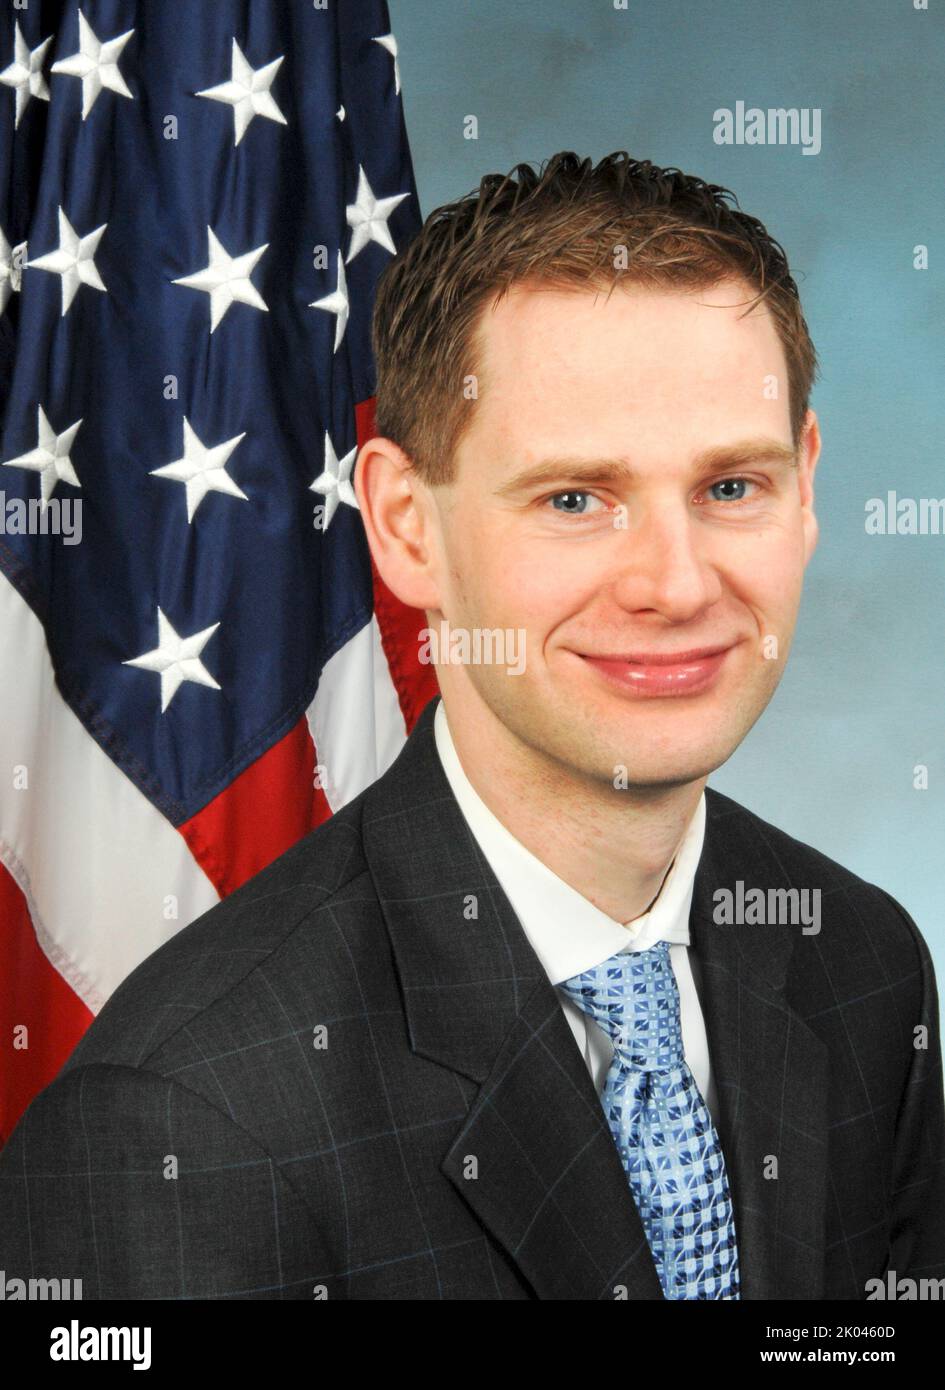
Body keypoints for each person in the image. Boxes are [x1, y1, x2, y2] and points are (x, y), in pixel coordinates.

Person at [0, 151, 942, 1300]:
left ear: (805, 487)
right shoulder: (183, 1122)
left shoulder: (861, 961)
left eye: (730, 487)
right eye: (574, 499)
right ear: (406, 527)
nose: (676, 583)